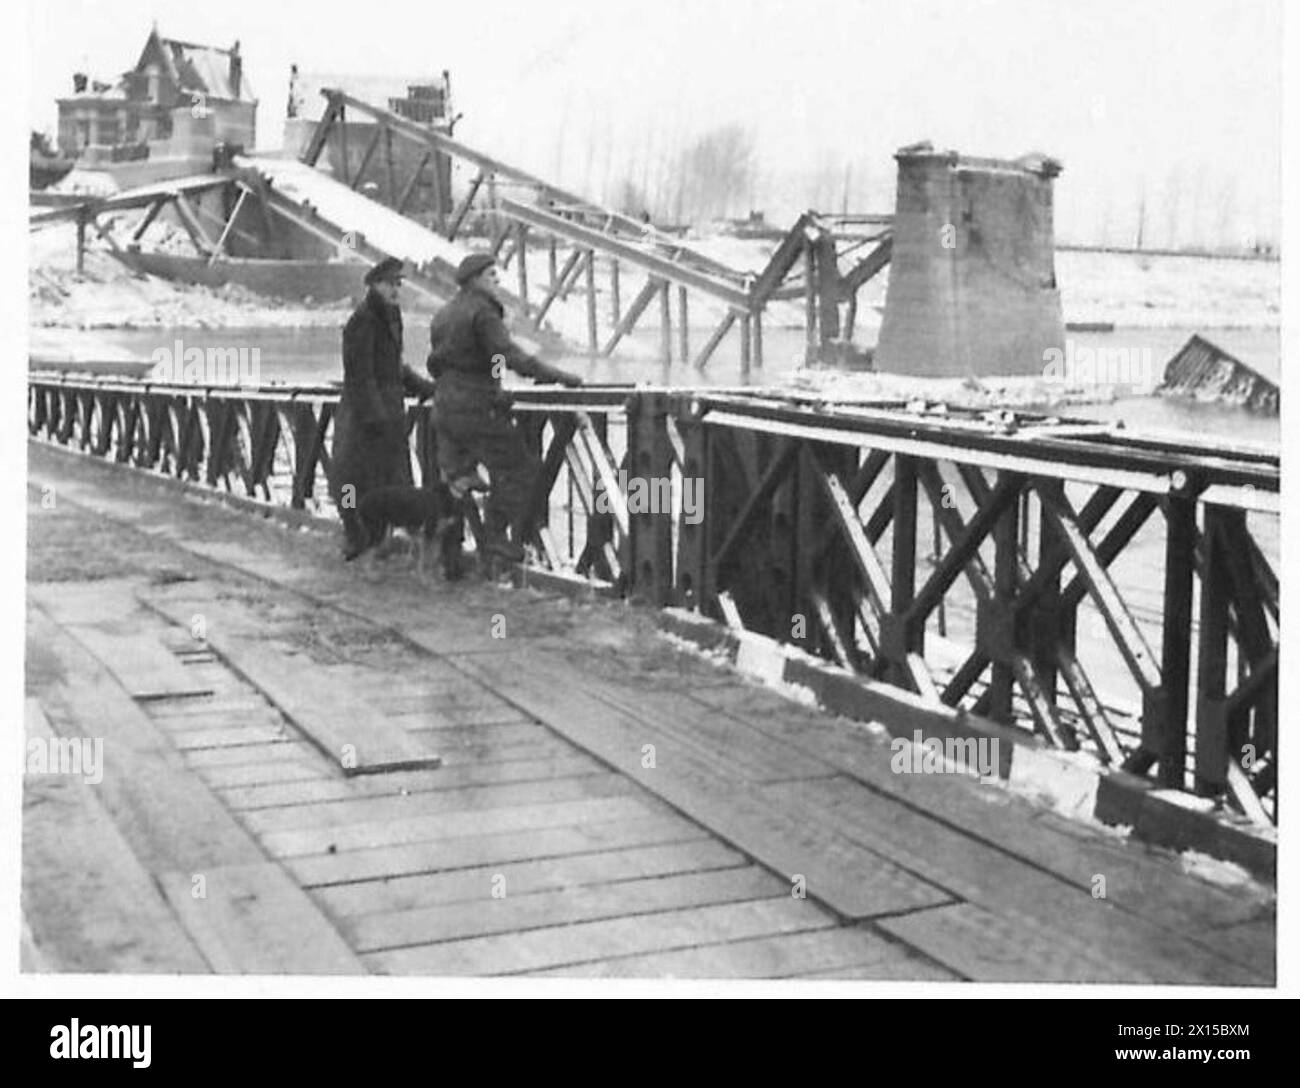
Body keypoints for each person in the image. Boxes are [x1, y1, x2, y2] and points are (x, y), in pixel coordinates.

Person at [427, 252, 583, 563]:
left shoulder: (443, 314)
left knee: (460, 481)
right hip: (473, 409)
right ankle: (496, 540)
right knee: (519, 469)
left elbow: (447, 362)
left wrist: (493, 386)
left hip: (444, 408)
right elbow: (507, 355)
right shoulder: (483, 313)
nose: (498, 281)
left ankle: (448, 551)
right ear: (476, 280)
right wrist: (559, 376)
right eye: (492, 275)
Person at [331, 256, 438, 560]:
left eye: (397, 284)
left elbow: (394, 365)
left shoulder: (391, 316)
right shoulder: (362, 320)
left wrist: (423, 387)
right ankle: (354, 535)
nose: (394, 290)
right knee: (351, 478)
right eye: (388, 284)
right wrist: (374, 417)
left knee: (387, 480)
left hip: (388, 413)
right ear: (374, 285)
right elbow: (359, 374)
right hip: (363, 416)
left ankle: (379, 538)